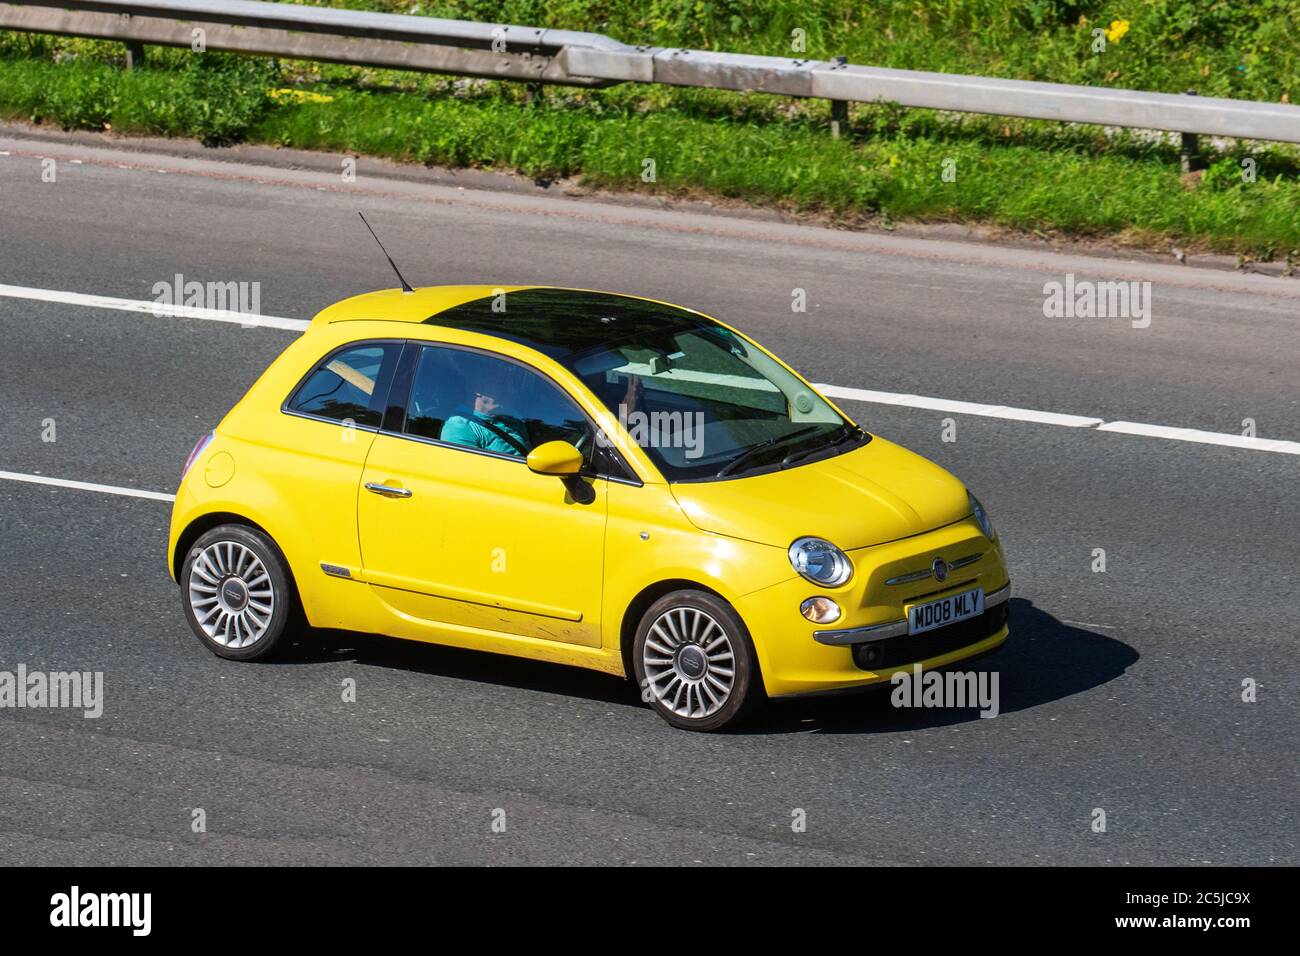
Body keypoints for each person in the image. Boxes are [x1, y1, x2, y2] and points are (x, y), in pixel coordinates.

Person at [439, 377, 530, 457]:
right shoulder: (459, 427)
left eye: (511, 385)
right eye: (502, 383)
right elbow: (467, 472)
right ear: (476, 389)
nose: (512, 391)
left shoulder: (511, 413)